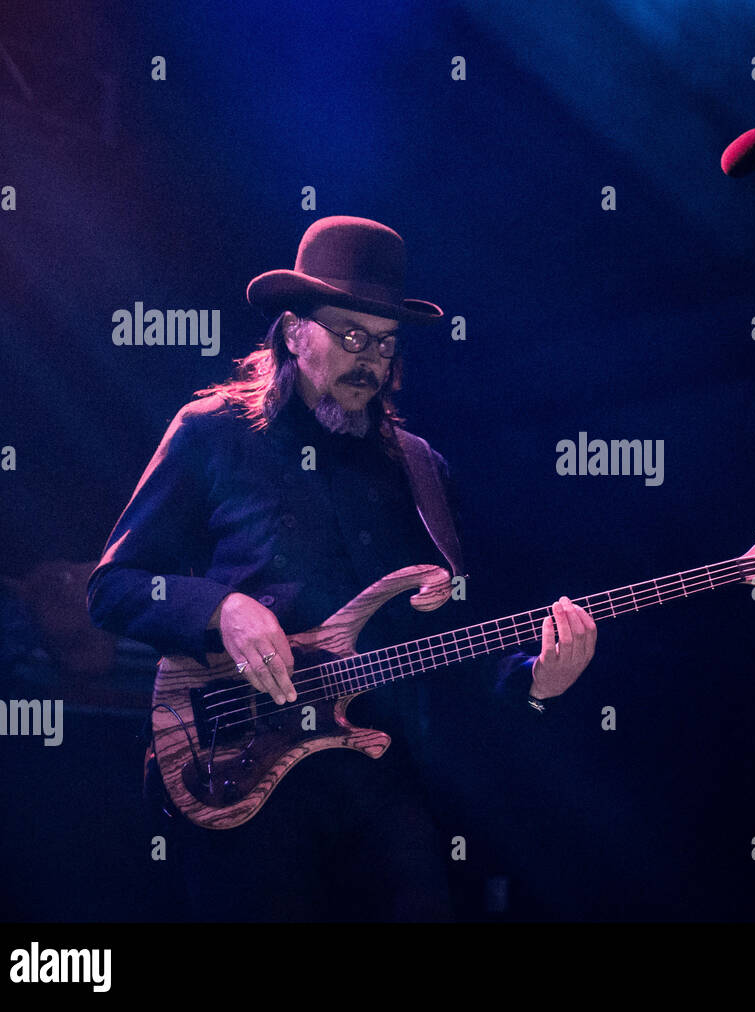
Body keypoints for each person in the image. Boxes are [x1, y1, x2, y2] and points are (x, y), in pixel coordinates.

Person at [86, 216, 596, 920]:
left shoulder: (420, 468)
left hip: (381, 784)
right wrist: (219, 609)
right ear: (294, 333)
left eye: (384, 344)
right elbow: (112, 588)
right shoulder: (212, 433)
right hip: (241, 769)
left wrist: (535, 680)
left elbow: (456, 642)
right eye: (351, 336)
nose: (370, 360)